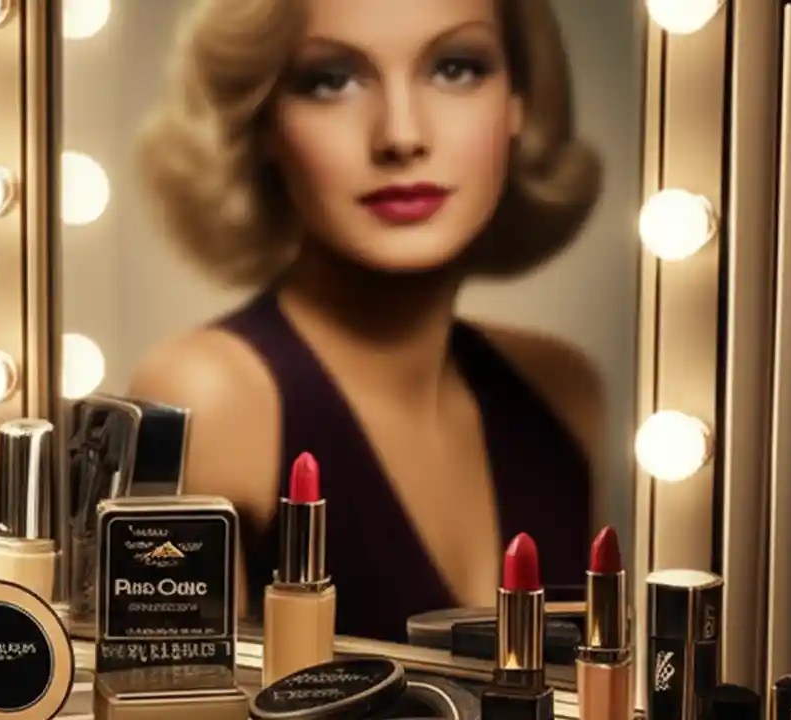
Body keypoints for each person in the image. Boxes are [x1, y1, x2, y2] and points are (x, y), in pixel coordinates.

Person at [128, 0, 603, 642]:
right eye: (331, 80)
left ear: (519, 101)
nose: (402, 135)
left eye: (457, 68)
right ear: (262, 121)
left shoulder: (562, 390)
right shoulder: (210, 399)